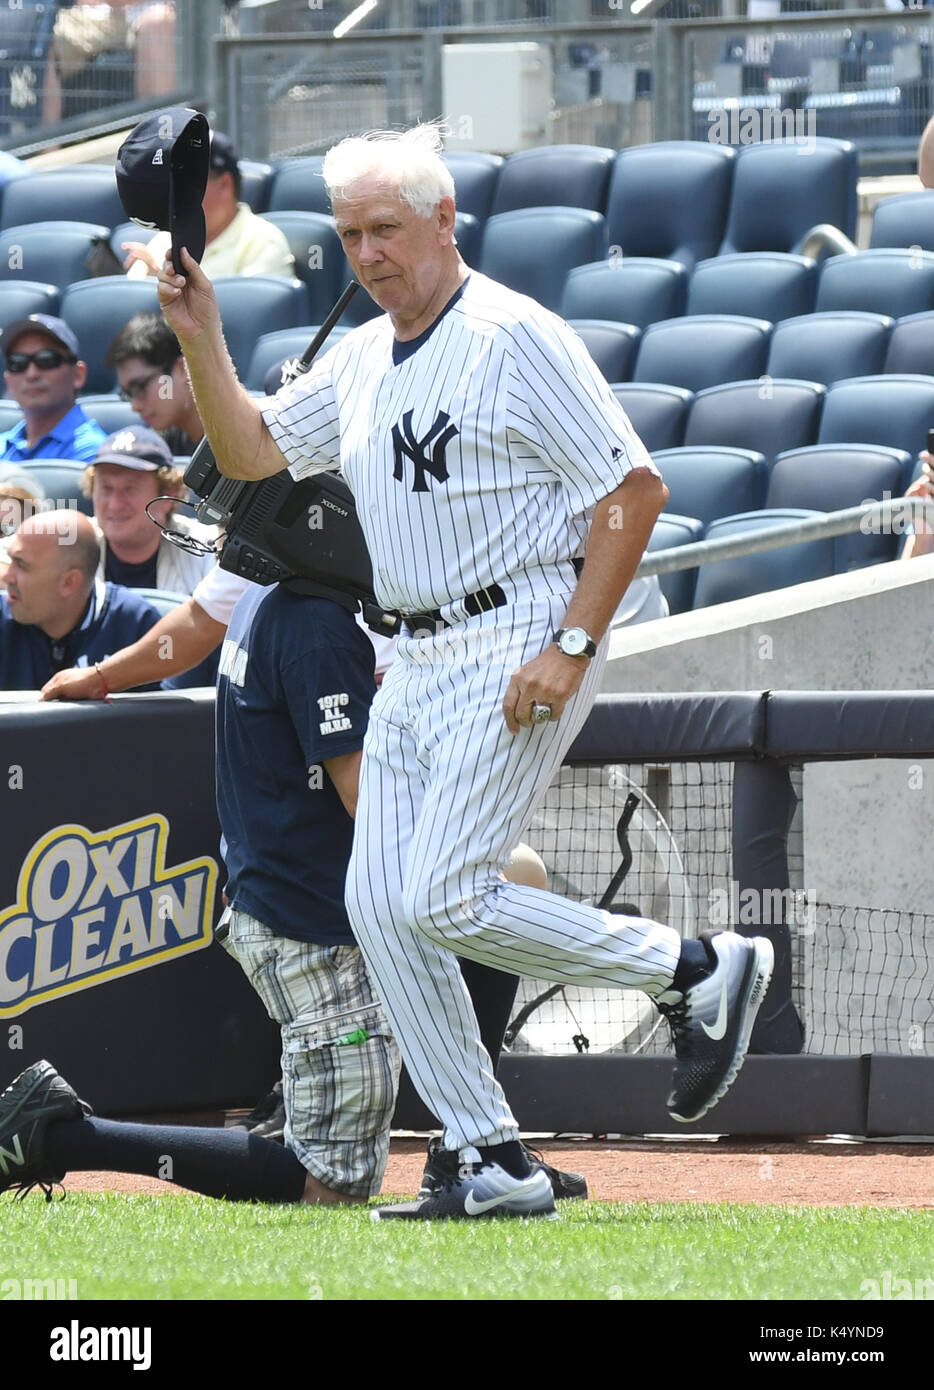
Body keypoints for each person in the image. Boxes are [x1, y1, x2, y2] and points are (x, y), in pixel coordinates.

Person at [145, 122, 773, 1222]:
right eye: (348, 234)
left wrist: (570, 643)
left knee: (441, 892)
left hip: (518, 624)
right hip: (415, 646)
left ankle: (693, 964)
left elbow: (632, 492)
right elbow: (249, 452)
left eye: (387, 227)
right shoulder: (358, 355)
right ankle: (490, 1157)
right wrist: (201, 335)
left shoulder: (511, 333)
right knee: (383, 907)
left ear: (445, 221)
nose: (369, 252)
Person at [0, 579, 583, 1204]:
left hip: (299, 901)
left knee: (485, 892)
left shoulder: (271, 599)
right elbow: (365, 796)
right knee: (327, 1186)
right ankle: (62, 1137)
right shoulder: (317, 624)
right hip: (314, 924)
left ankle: (470, 1147)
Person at [0, 509, 162, 690]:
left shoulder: (138, 625)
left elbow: (171, 715)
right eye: (10, 560)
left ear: (69, 582)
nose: (7, 577)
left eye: (21, 565)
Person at [125, 130, 294, 281]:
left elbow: (250, 314)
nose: (177, 192)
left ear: (225, 184)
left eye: (188, 181)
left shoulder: (263, 241)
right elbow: (131, 309)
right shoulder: (166, 238)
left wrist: (166, 292)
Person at [80, 426, 216, 596]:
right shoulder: (73, 545)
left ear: (167, 496)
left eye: (130, 489)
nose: (115, 504)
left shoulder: (205, 549)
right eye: (106, 488)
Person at [0, 315, 106, 465]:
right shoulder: (2, 446)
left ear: (78, 375)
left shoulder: (95, 452)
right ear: (7, 380)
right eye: (18, 363)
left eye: (46, 360)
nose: (32, 374)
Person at [105, 313, 205, 456]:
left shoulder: (236, 436)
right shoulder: (160, 443)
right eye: (128, 393)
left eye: (140, 387)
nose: (135, 407)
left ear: (182, 370)